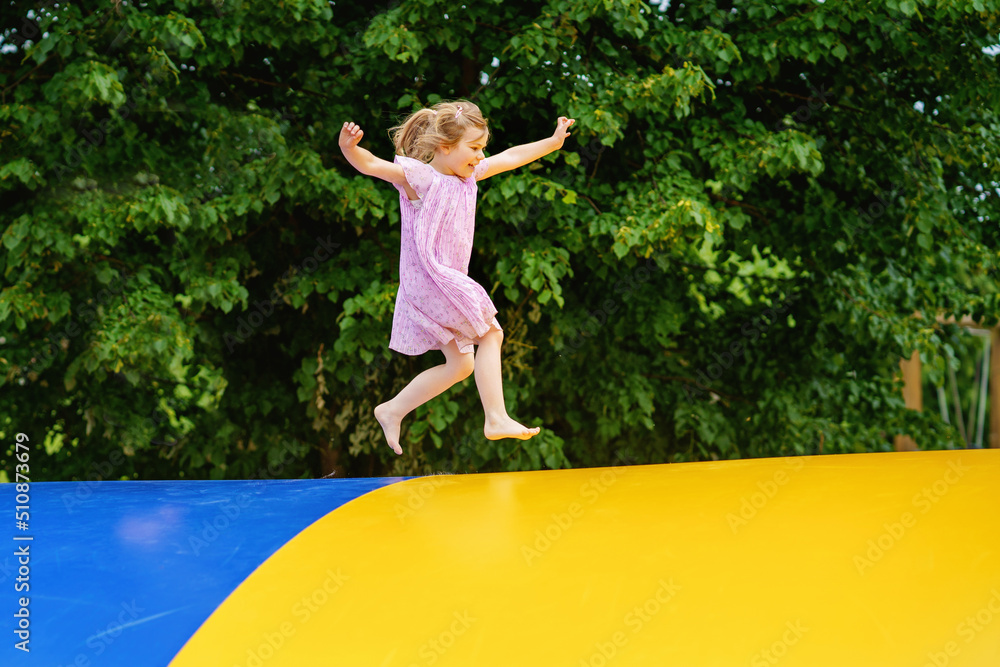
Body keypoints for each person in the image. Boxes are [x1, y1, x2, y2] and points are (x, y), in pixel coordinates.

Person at [338, 100, 575, 455]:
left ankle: (392, 409)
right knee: (492, 332)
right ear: (445, 148)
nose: (482, 156)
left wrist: (552, 142)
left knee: (462, 364)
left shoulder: (469, 175)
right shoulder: (422, 178)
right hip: (433, 278)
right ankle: (495, 417)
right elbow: (372, 165)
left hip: (438, 282)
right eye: (475, 148)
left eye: (482, 148)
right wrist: (348, 148)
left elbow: (511, 156)